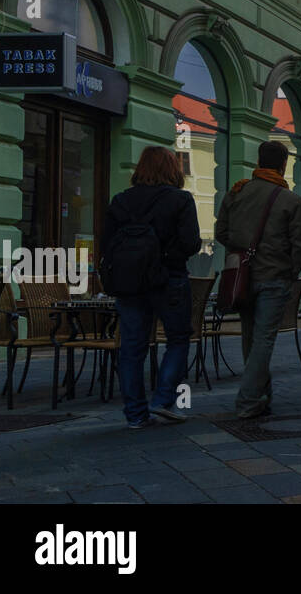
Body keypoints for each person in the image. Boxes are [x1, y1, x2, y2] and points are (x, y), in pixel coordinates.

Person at [105, 146, 202, 429]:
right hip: (169, 279)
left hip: (129, 283)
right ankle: (162, 400)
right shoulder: (180, 200)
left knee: (132, 347)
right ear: (172, 169)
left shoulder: (121, 201)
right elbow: (191, 243)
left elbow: (108, 243)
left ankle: (135, 414)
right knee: (178, 338)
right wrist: (167, 255)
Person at [214, 139, 301, 419]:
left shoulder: (238, 192)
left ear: (258, 161)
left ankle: (262, 395)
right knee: (264, 339)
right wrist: (290, 271)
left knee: (251, 337)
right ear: (283, 165)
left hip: (241, 276)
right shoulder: (291, 200)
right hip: (274, 277)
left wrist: (242, 250)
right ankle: (247, 401)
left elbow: (222, 232)